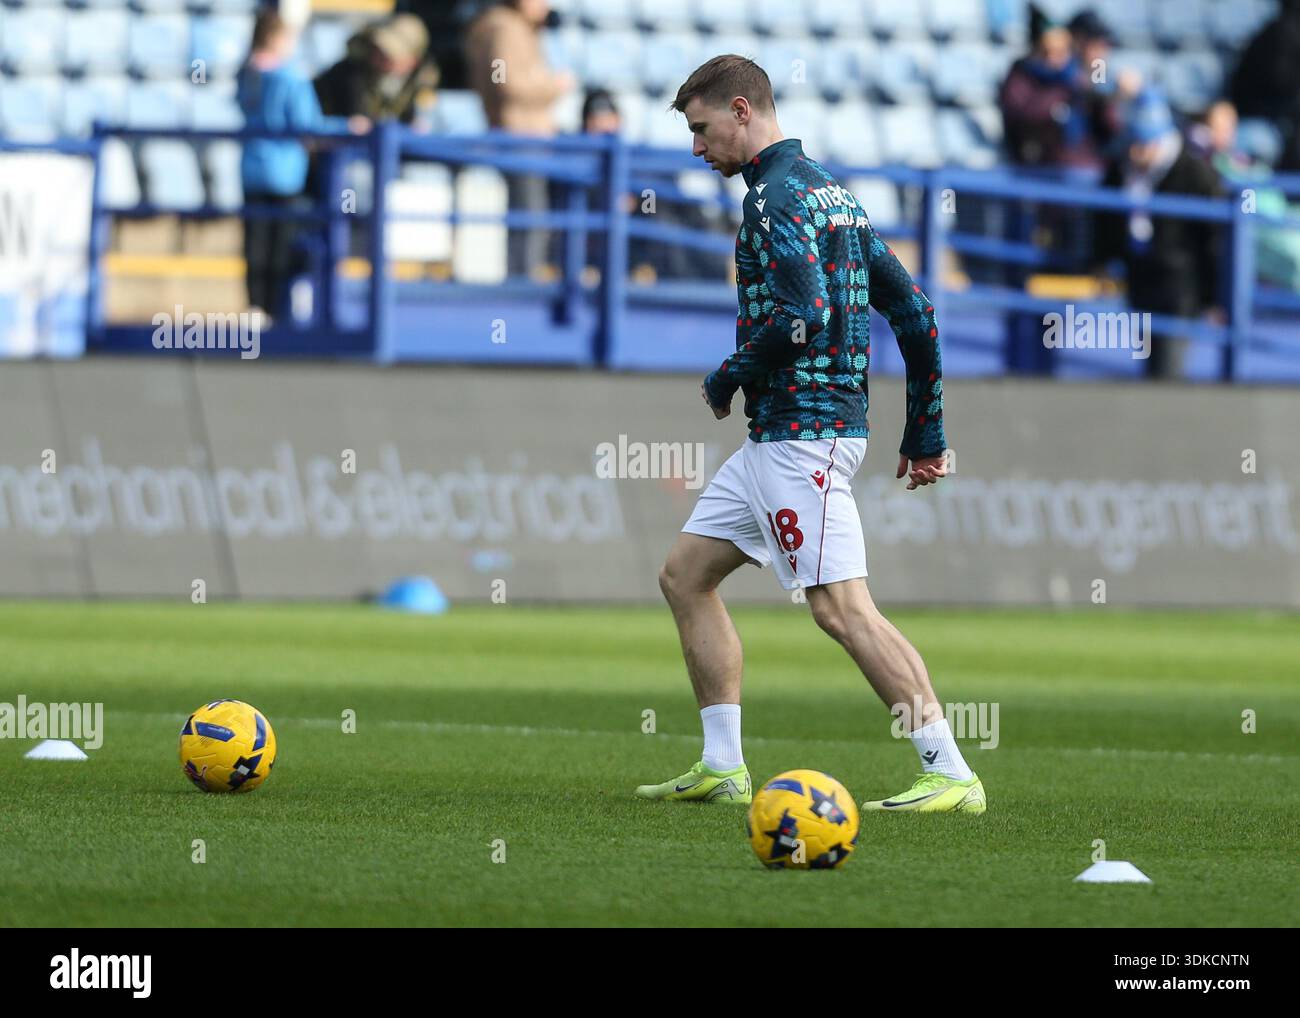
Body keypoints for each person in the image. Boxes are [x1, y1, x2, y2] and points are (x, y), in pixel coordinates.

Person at [635, 56, 984, 814]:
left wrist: (728, 375)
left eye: (701, 130)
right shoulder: (834, 195)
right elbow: (917, 314)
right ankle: (723, 766)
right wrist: (925, 431)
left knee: (842, 611)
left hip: (804, 435)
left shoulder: (772, 200)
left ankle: (950, 769)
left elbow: (806, 315)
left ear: (740, 109)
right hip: (787, 437)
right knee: (685, 575)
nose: (697, 148)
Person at [236, 11, 369, 323]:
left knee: (255, 240)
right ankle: (275, 308)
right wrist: (349, 127)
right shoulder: (290, 77)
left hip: (251, 168)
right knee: (280, 242)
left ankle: (255, 306)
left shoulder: (246, 75)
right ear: (276, 39)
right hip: (283, 173)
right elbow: (308, 125)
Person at [1095, 89, 1224, 379]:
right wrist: (1103, 263)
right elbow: (1105, 223)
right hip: (1141, 284)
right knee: (1152, 370)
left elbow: (1214, 240)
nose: (1137, 151)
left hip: (1181, 291)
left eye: (1146, 142)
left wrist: (1216, 296)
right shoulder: (1120, 171)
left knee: (1167, 374)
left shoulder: (1195, 174)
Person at [464, 0, 575, 278]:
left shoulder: (516, 27)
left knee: (531, 215)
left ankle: (524, 279)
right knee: (529, 216)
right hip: (520, 137)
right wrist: (554, 86)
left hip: (528, 136)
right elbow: (506, 83)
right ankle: (522, 284)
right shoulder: (504, 27)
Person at [313, 13, 440, 129]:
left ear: (412, 62)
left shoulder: (419, 82)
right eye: (377, 49)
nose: (378, 56)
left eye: (389, 56)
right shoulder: (350, 73)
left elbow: (415, 120)